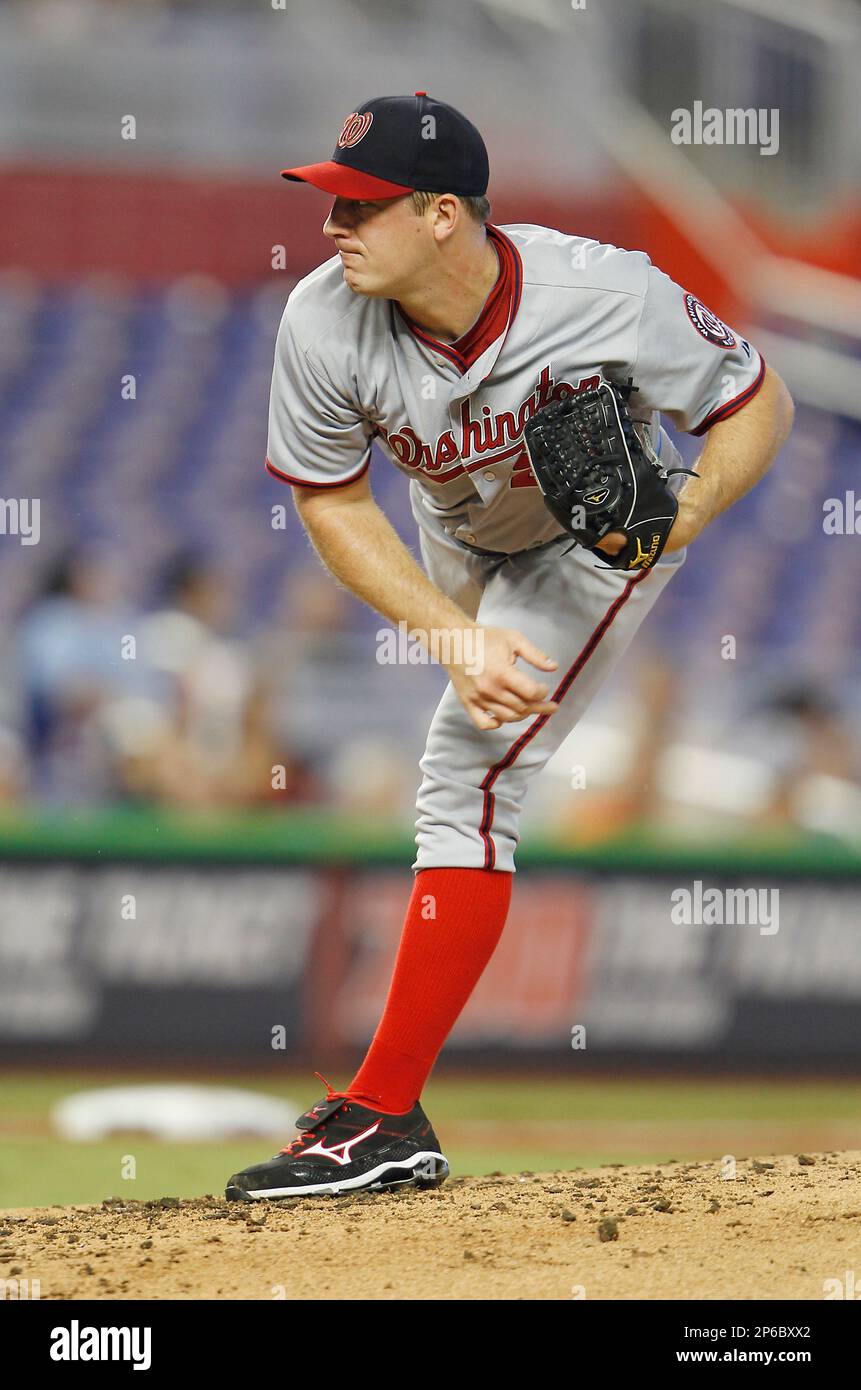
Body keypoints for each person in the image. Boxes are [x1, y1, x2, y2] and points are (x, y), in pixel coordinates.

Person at [226, 94, 794, 1201]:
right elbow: (334, 505)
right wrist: (451, 638)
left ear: (445, 214)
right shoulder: (321, 318)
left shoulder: (605, 289)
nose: (334, 227)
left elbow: (756, 403)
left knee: (470, 773)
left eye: (361, 206)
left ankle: (384, 1114)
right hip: (455, 528)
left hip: (592, 543)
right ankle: (392, 1119)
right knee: (461, 741)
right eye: (331, 204)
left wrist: (679, 521)